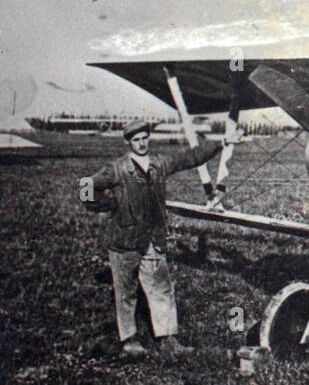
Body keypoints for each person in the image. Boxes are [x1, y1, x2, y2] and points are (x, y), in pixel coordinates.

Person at [83, 119, 242, 357]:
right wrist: (108, 204)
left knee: (161, 288)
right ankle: (129, 340)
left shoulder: (159, 163)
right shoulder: (116, 169)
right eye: (136, 140)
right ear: (129, 143)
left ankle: (168, 339)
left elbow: (190, 157)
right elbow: (86, 187)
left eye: (144, 138)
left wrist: (222, 142)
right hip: (124, 241)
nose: (141, 143)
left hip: (152, 240)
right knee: (125, 291)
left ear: (149, 138)